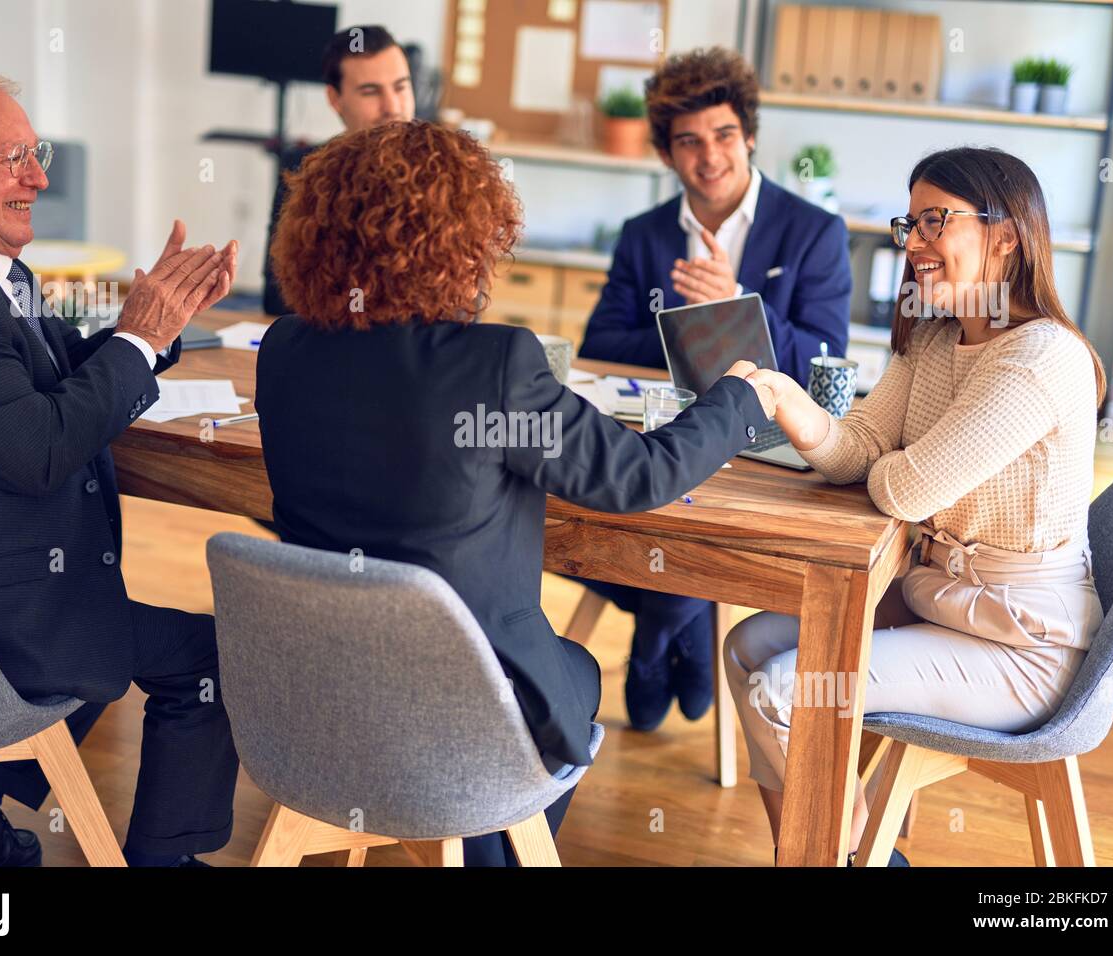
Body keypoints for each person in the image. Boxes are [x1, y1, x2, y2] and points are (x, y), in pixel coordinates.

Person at [256, 120, 776, 865]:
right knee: (579, 674)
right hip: (467, 701)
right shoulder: (494, 366)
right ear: (462, 242)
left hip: (321, 695)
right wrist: (735, 400)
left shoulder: (285, 349)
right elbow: (638, 476)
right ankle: (494, 842)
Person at [0, 71, 241, 867]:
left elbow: (56, 383)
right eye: (14, 159)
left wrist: (156, 330)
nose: (38, 177)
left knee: (102, 615)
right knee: (206, 658)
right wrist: (134, 340)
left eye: (36, 156)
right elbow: (41, 448)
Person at [731, 146, 1108, 866]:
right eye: (912, 223)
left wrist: (891, 466)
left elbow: (905, 488)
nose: (914, 243)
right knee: (747, 646)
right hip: (938, 600)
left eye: (936, 220)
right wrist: (784, 399)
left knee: (781, 691)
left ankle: (838, 858)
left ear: (1007, 235)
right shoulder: (934, 338)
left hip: (1019, 643)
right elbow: (862, 447)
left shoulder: (1042, 358)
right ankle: (827, 854)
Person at [575, 47, 853, 735]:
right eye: (689, 142)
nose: (711, 156)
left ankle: (654, 642)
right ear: (668, 154)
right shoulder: (644, 236)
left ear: (749, 135)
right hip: (664, 436)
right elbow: (602, 342)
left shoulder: (813, 231)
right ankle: (682, 626)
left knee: (676, 517)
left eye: (725, 135)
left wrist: (738, 307)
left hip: (771, 440)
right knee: (627, 506)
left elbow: (827, 358)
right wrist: (690, 328)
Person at [262, 24, 415, 316]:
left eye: (401, 86)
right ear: (335, 99)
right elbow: (277, 294)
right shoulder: (305, 170)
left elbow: (463, 306)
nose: (392, 107)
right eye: (371, 91)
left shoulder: (447, 174)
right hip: (329, 345)